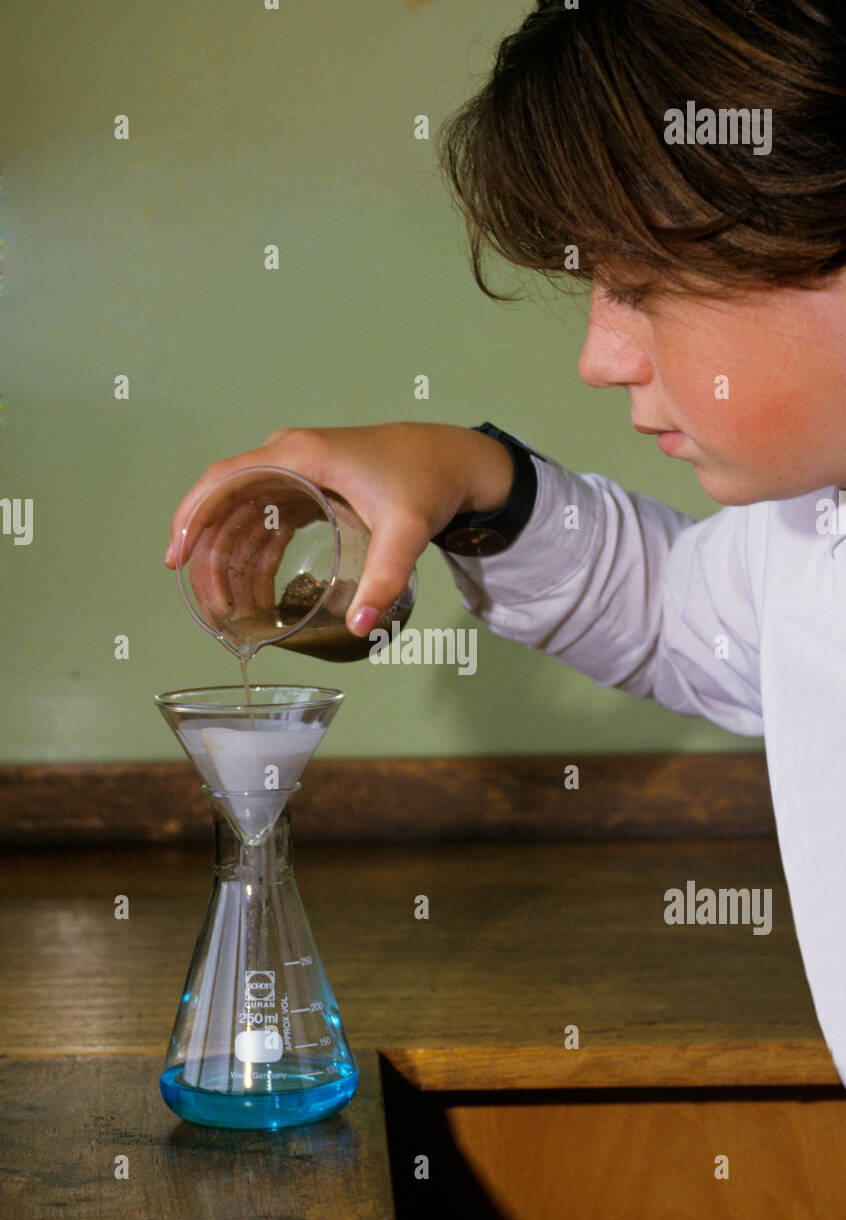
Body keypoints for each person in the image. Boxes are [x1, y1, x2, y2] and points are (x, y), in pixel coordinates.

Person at [166, 0, 846, 1083]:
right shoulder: (817, 527)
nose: (602, 354)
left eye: (641, 284)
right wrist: (469, 479)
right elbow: (681, 612)